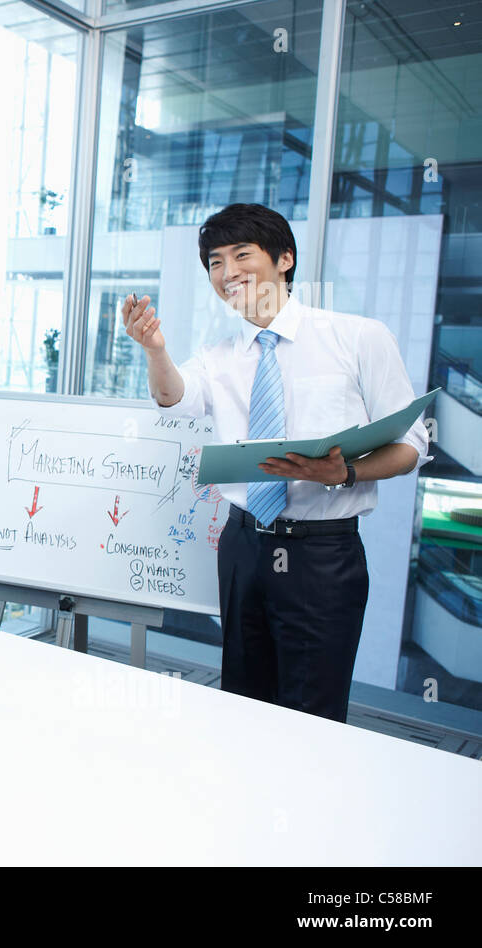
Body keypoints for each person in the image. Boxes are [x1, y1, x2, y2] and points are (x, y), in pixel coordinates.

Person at [122, 202, 430, 722]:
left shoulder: (357, 338)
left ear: (284, 258)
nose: (228, 272)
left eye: (242, 254)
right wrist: (154, 350)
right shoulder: (219, 355)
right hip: (243, 546)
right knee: (244, 700)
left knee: (312, 710)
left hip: (322, 554)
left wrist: (345, 472)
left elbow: (411, 446)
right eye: (215, 262)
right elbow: (175, 396)